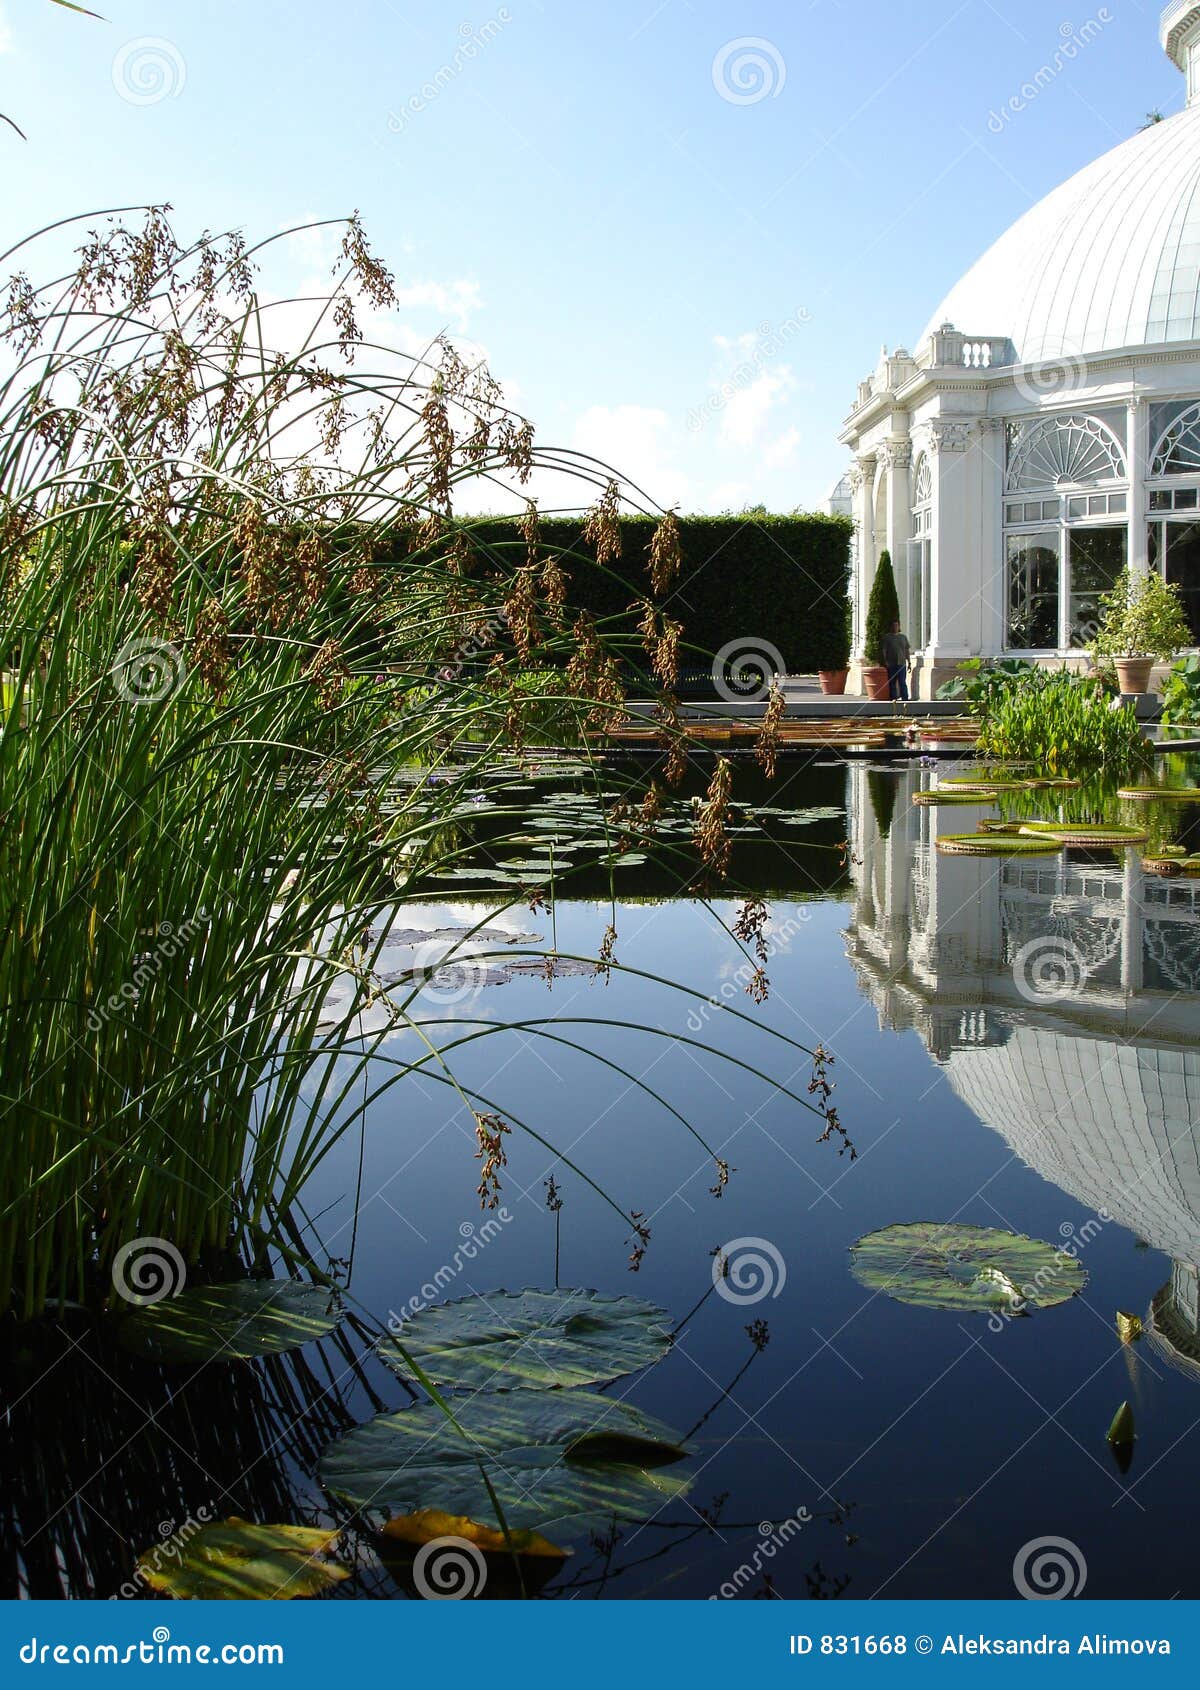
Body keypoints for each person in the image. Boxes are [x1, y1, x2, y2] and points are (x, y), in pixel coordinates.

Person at [883, 619, 911, 701]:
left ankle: (905, 699)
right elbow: (884, 650)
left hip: (901, 663)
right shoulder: (888, 637)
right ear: (891, 627)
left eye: (897, 625)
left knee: (902, 682)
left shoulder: (903, 637)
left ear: (899, 626)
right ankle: (893, 699)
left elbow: (906, 650)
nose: (895, 627)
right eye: (894, 626)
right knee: (892, 683)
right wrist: (886, 661)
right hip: (891, 663)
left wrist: (909, 661)